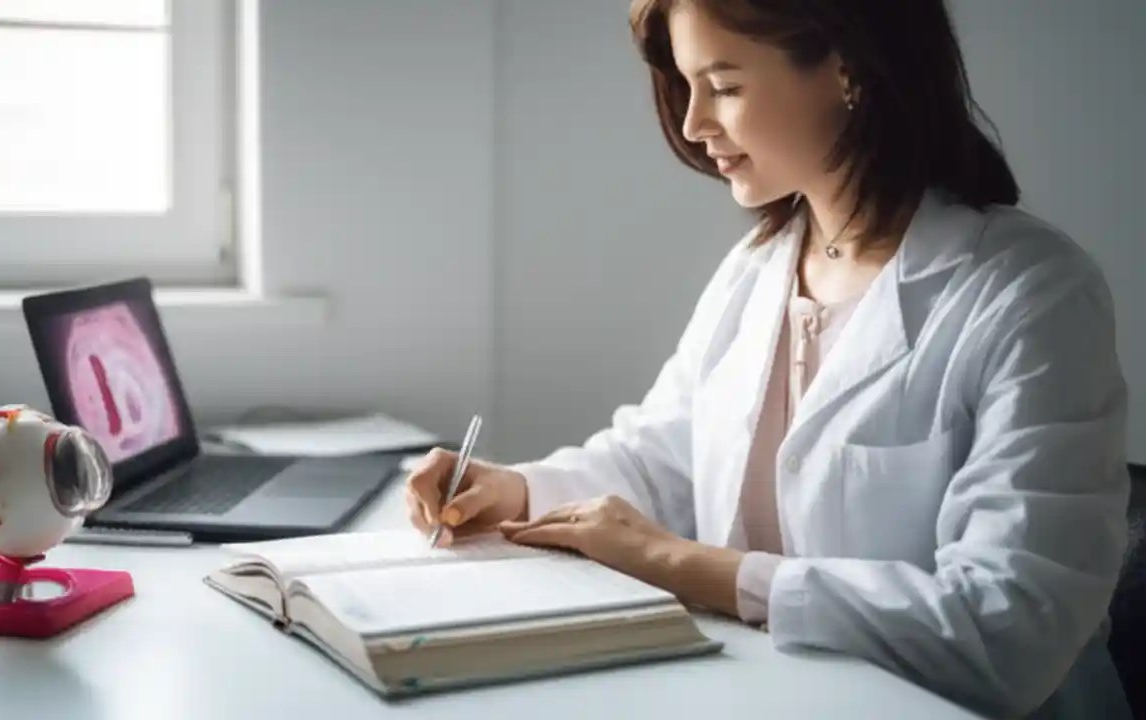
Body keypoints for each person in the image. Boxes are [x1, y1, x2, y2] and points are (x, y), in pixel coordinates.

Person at [405, 1, 1132, 717]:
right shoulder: (758, 268)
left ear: (848, 70)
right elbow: (662, 458)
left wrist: (691, 568)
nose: (693, 123)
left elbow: (1008, 630)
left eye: (723, 86)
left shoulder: (1031, 293)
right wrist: (515, 492)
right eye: (687, 86)